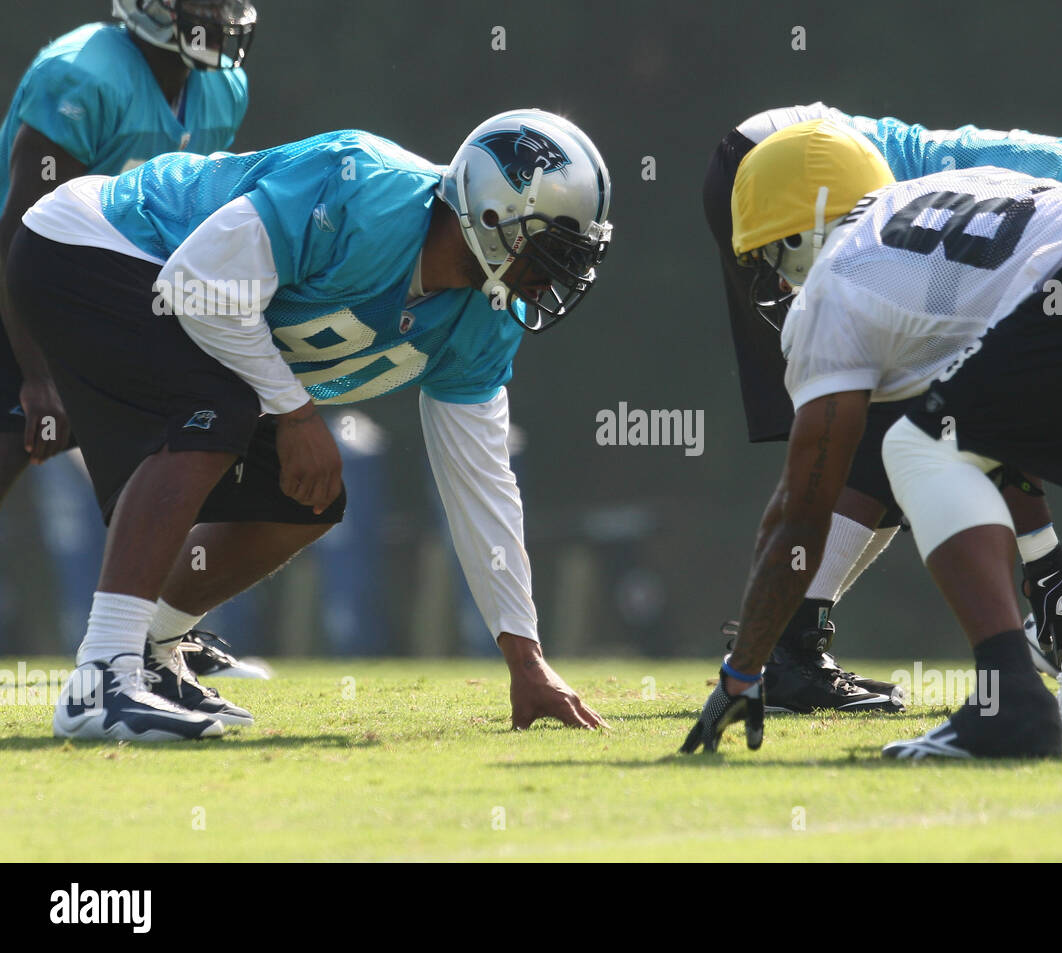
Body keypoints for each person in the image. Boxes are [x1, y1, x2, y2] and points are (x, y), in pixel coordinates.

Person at [681, 118, 1062, 757]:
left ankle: (1008, 702)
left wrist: (743, 669)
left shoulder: (843, 274)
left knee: (915, 445)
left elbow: (802, 508)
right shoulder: (946, 204)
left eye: (775, 255)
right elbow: (1001, 426)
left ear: (805, 227)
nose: (782, 283)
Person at [7, 110, 613, 740]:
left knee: (305, 498)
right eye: (549, 250)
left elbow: (482, 486)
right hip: (91, 241)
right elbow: (200, 283)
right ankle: (102, 677)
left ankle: (152, 651)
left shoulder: (486, 317)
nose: (555, 275)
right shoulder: (363, 188)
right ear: (491, 215)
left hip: (172, 292)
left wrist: (526, 659)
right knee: (215, 414)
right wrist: (295, 413)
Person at [702, 103, 1062, 714]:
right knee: (872, 426)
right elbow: (990, 386)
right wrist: (1047, 566)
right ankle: (783, 653)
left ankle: (790, 641)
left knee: (893, 427)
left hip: (792, 174)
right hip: (786, 181)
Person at [0, 0, 259, 683]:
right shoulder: (82, 76)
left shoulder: (221, 86)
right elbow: (17, 233)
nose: (223, 17)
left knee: (185, 450)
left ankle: (161, 635)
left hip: (119, 307)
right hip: (21, 295)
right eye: (206, 6)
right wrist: (38, 375)